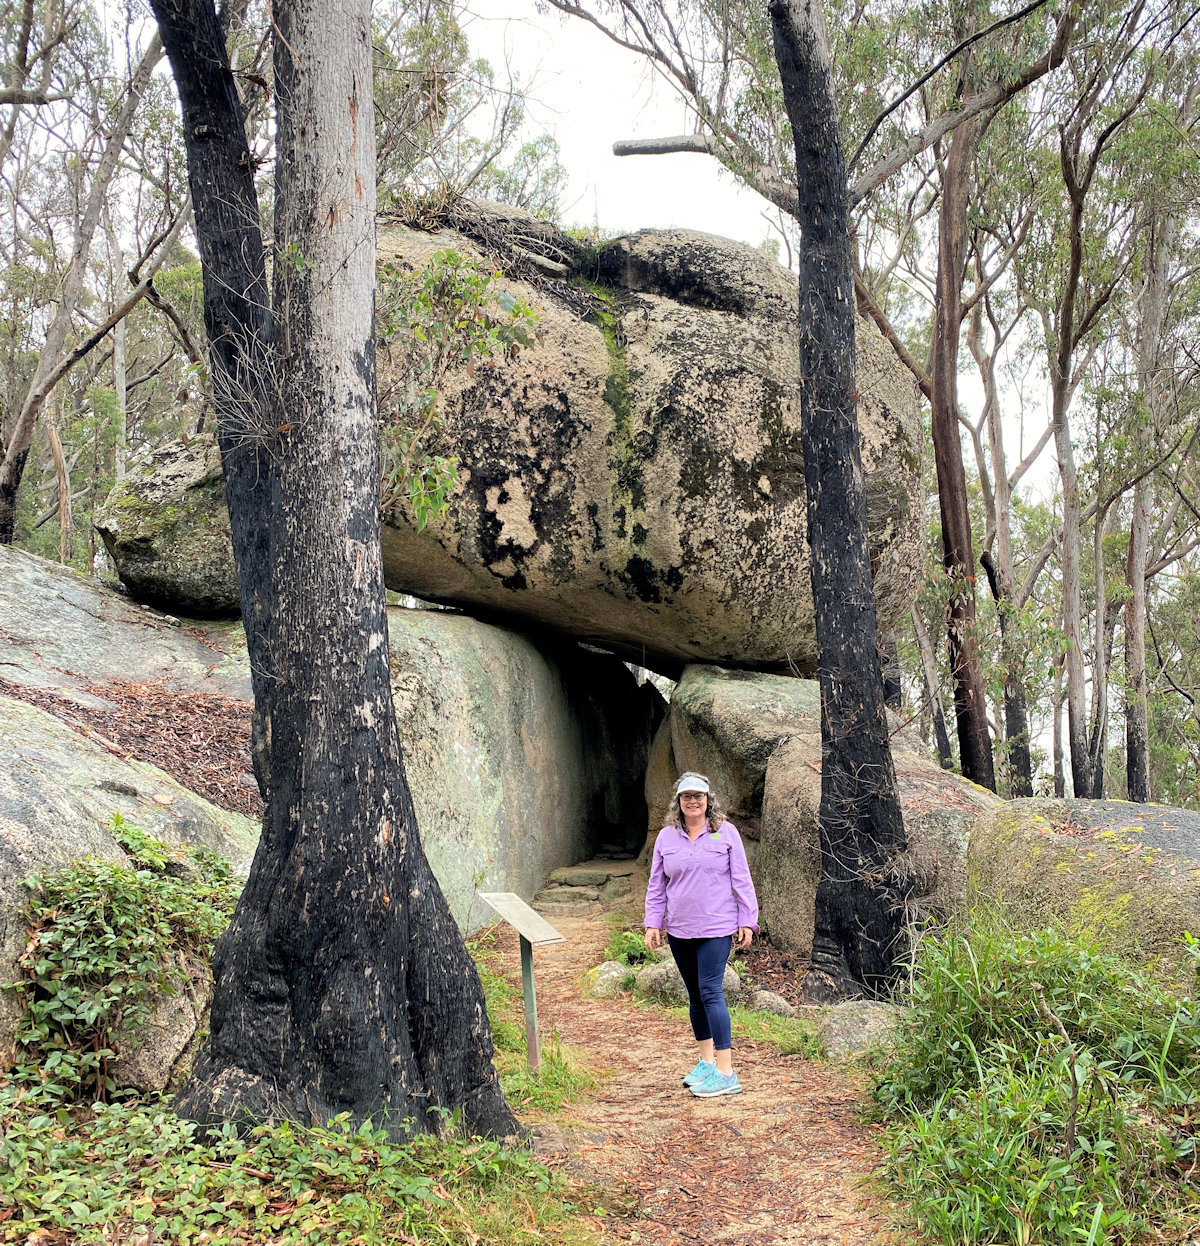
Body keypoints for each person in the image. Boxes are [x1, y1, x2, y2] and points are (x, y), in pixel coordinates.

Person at [643, 771, 759, 1097]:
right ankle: (707, 1063)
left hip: (717, 927)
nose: (693, 801)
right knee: (695, 996)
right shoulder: (666, 838)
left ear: (709, 801)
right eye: (686, 797)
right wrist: (654, 922)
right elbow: (657, 885)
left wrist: (748, 920)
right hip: (680, 929)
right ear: (678, 803)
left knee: (710, 992)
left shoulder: (726, 833)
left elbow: (742, 879)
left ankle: (726, 1072)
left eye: (698, 796)